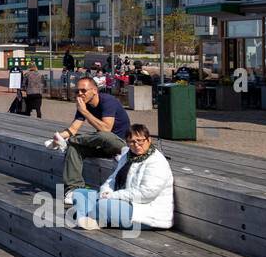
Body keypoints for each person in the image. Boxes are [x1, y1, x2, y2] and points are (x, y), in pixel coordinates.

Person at [49, 76, 131, 205]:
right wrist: (58, 136)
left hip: (120, 144)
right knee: (74, 148)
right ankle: (73, 189)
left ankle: (69, 142)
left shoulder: (108, 101)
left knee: (103, 136)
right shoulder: (84, 105)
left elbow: (106, 129)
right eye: (77, 91)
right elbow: (73, 128)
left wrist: (85, 112)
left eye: (83, 90)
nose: (80, 94)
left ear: (94, 90)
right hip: (103, 147)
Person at [72, 125, 173, 230]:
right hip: (122, 201)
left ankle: (89, 217)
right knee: (80, 194)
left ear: (149, 140)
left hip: (145, 213)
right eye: (132, 142)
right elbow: (112, 179)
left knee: (103, 205)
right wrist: (105, 191)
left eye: (140, 140)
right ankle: (91, 219)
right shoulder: (127, 156)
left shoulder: (156, 162)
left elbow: (146, 194)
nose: (136, 145)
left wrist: (113, 195)